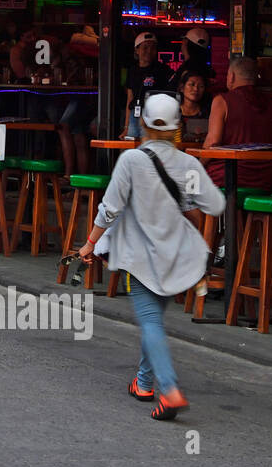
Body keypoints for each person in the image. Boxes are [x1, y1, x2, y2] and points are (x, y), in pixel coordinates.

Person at [78, 94, 225, 420]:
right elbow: (213, 206)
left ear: (142, 124)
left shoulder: (131, 161)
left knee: (150, 323)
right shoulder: (189, 163)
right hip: (176, 257)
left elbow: (110, 209)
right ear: (178, 127)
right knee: (154, 321)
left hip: (140, 256)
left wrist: (89, 243)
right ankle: (143, 382)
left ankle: (169, 390)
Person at [203, 56, 272, 190]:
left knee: (189, 185)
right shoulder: (271, 104)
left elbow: (212, 142)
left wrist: (199, 165)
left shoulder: (222, 101)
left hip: (225, 177)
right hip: (263, 180)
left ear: (231, 76)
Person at [122, 32, 174, 139]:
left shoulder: (162, 70)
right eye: (145, 48)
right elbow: (130, 98)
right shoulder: (132, 70)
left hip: (153, 116)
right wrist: (126, 127)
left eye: (153, 48)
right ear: (137, 50)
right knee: (130, 146)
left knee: (148, 147)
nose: (149, 51)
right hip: (134, 114)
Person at [177, 69, 211, 146]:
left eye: (201, 86)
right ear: (182, 88)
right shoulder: (173, 112)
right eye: (192, 84)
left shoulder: (208, 113)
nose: (196, 89)